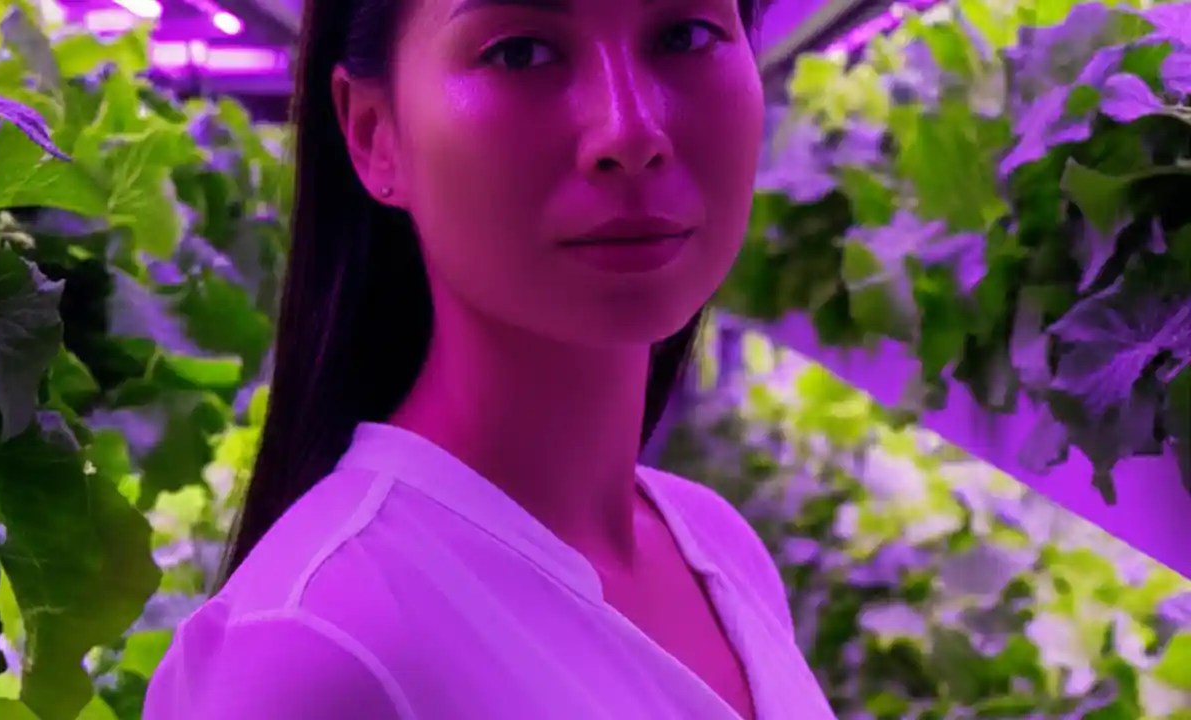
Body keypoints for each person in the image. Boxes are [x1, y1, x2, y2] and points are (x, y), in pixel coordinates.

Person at [143, 0, 836, 717]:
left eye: (684, 36)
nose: (631, 131)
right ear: (374, 134)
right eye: (521, 53)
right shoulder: (306, 654)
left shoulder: (719, 548)